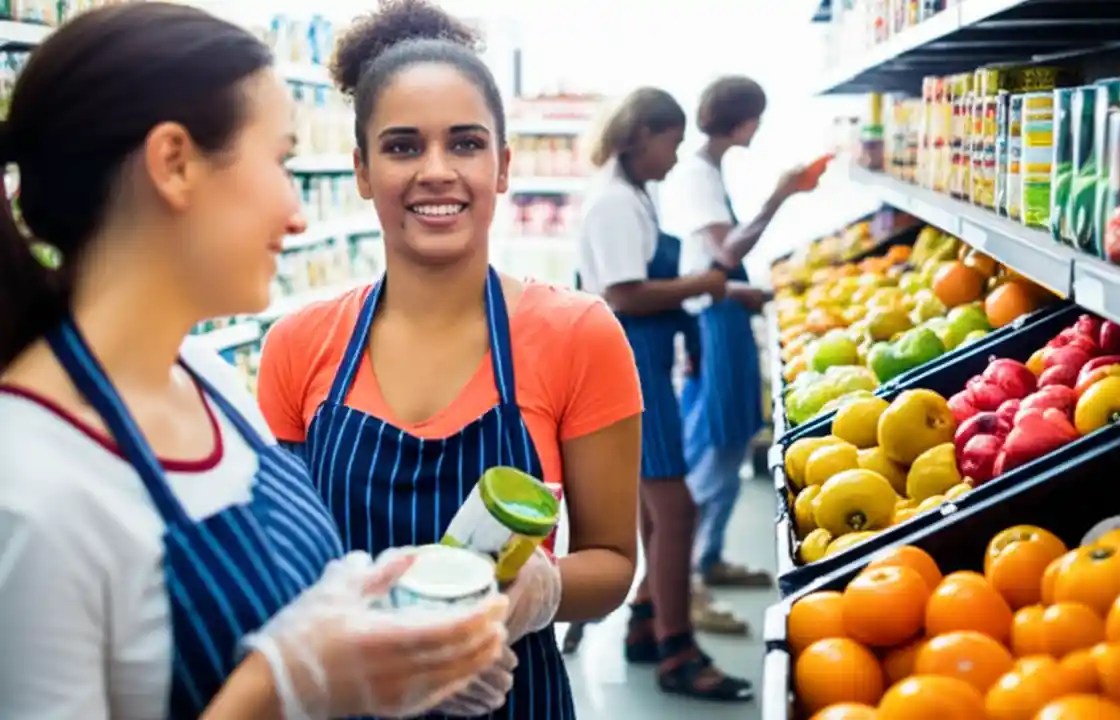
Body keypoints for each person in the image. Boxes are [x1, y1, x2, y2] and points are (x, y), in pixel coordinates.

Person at [0, 4, 511, 719]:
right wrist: (277, 690)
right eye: (281, 161)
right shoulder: (30, 489)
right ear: (175, 164)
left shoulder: (206, 378)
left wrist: (395, 634)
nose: (298, 212)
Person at [255, 2, 643, 717]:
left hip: (510, 697)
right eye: (403, 147)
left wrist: (541, 593)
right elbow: (286, 563)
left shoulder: (580, 335)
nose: (437, 171)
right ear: (362, 171)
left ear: (502, 166)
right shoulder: (298, 346)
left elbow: (615, 560)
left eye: (465, 144)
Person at [574, 87, 752, 702]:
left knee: (658, 508)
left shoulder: (634, 197)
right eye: (671, 143)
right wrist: (702, 284)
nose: (676, 158)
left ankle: (647, 624)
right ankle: (680, 650)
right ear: (638, 136)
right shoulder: (614, 205)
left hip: (644, 364)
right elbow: (624, 295)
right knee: (677, 510)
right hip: (626, 369)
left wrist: (684, 318)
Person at [661, 76, 812, 595]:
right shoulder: (698, 176)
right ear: (743, 120)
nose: (759, 128)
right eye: (758, 118)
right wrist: (781, 196)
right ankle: (684, 578)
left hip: (722, 314)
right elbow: (724, 254)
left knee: (726, 438)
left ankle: (707, 557)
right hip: (713, 321)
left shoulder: (706, 171)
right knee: (717, 443)